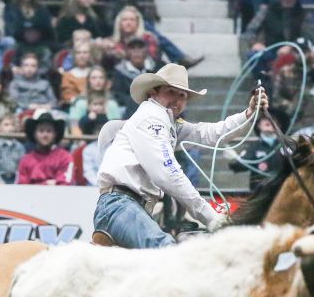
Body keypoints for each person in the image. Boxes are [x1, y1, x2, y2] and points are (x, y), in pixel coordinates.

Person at [94, 64, 263, 248]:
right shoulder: (152, 119)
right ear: (153, 93)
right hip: (121, 205)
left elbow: (210, 133)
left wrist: (249, 113)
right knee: (166, 250)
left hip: (126, 207)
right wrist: (211, 217)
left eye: (182, 95)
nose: (177, 100)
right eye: (171, 92)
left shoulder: (166, 123)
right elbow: (167, 174)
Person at [16, 112, 74, 185]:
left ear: (55, 134)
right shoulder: (26, 160)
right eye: (41, 131)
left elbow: (64, 184)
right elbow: (22, 186)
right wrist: (47, 183)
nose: (45, 135)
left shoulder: (65, 158)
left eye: (49, 131)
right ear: (34, 134)